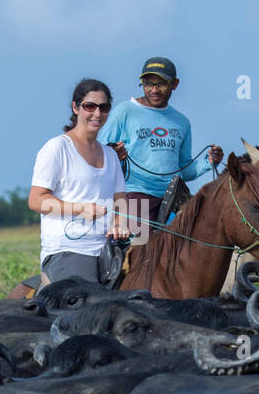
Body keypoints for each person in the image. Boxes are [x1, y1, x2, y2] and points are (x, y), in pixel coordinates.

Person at [99, 56, 224, 229]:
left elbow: (183, 169)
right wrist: (116, 156)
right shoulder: (124, 112)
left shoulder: (182, 121)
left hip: (174, 198)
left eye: (162, 84)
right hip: (136, 194)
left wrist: (208, 163)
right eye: (148, 84)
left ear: (175, 84)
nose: (154, 90)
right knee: (139, 249)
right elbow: (99, 156)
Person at [29, 79, 132, 284]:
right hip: (69, 250)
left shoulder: (111, 155)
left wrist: (120, 223)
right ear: (75, 108)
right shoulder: (57, 148)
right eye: (89, 106)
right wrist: (79, 208)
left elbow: (120, 199)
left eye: (103, 108)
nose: (97, 113)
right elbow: (36, 200)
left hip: (107, 248)